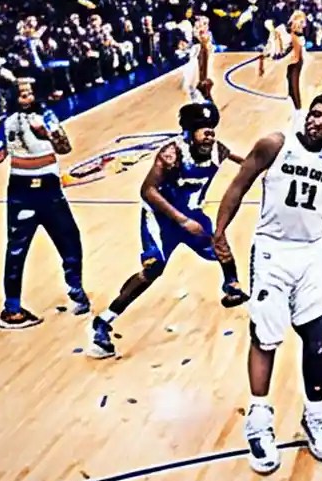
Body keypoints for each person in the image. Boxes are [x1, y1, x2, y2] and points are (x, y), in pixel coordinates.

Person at [212, 90, 322, 475]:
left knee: (316, 340)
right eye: (316, 115)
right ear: (307, 116)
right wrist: (220, 231)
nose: (319, 123)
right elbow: (238, 185)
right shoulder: (275, 144)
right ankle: (258, 419)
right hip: (273, 250)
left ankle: (315, 418)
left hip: (312, 254)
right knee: (266, 337)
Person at [87, 102, 249, 358]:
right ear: (188, 132)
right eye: (202, 129)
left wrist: (270, 164)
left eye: (211, 129)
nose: (209, 134)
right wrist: (182, 221)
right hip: (161, 218)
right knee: (153, 269)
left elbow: (248, 162)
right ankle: (103, 322)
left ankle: (232, 286)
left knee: (220, 243)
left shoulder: (217, 150)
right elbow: (147, 190)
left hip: (191, 214)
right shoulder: (171, 155)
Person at [0, 79, 89, 329]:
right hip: (25, 190)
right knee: (17, 250)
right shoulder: (10, 121)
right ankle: (12, 309)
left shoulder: (46, 115)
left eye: (30, 93)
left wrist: (48, 133)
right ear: (14, 98)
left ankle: (75, 289)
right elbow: (61, 148)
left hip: (44, 190)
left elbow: (64, 147)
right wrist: (5, 151)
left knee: (69, 238)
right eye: (22, 94)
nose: (26, 97)